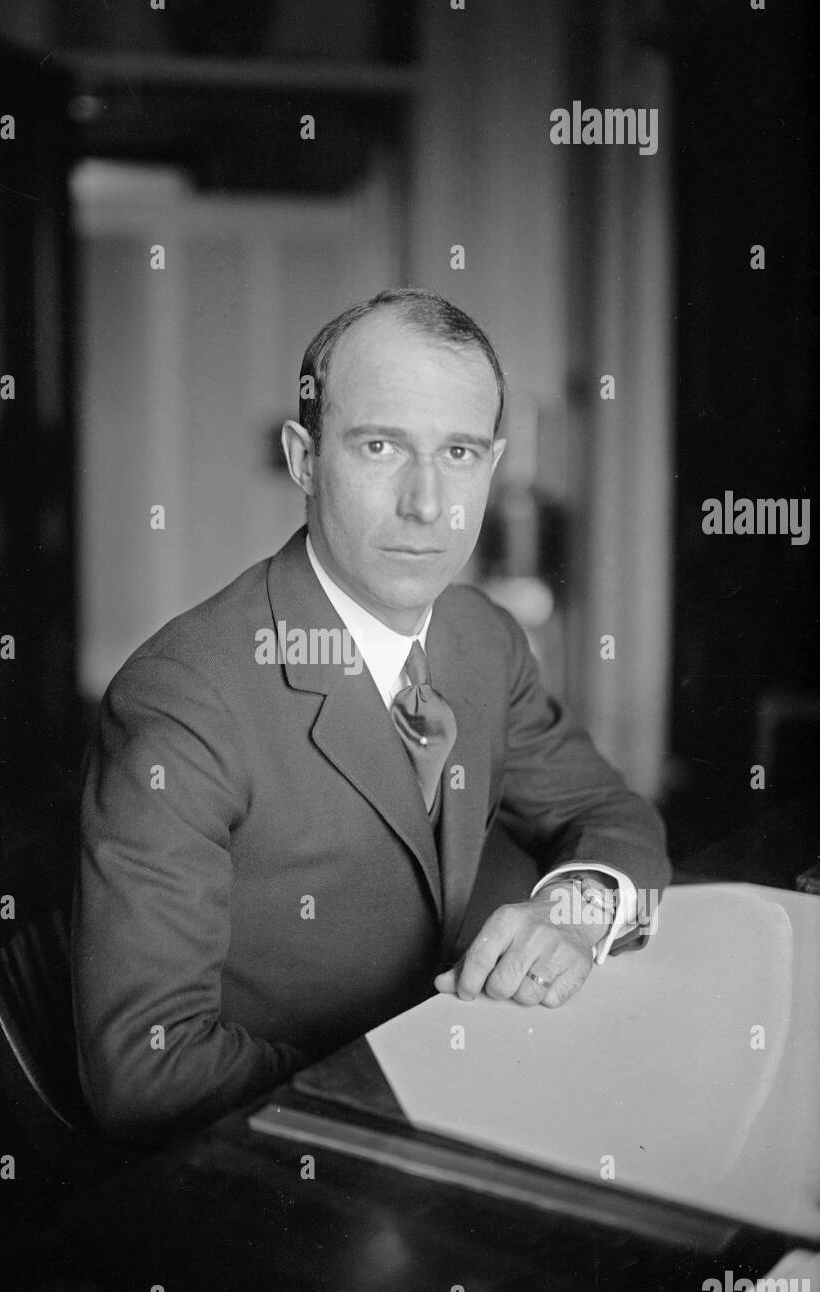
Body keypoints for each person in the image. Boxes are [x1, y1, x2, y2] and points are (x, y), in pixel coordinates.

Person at [72, 287, 670, 1148]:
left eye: (459, 452)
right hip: (294, 1165)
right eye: (381, 446)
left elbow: (609, 815)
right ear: (305, 459)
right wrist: (419, 1095)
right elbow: (145, 1070)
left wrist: (573, 909)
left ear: (491, 463)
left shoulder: (480, 639)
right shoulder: (183, 700)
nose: (427, 503)